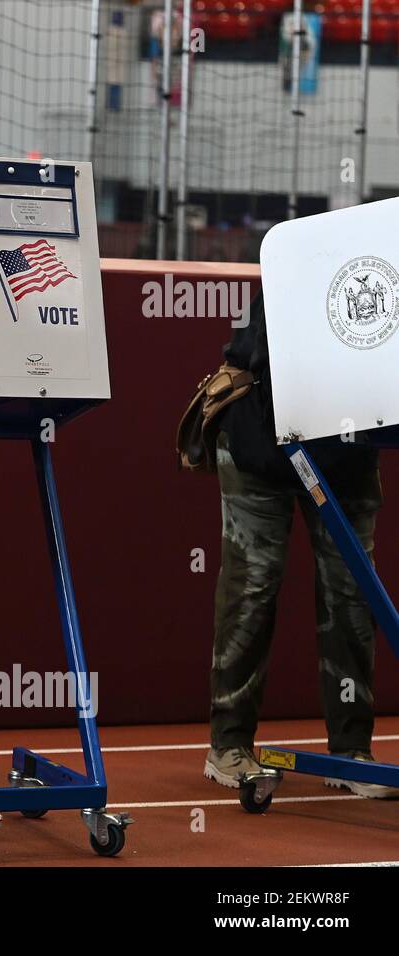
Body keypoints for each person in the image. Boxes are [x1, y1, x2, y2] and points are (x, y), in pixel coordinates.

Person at [205, 292, 397, 798]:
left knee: (353, 595)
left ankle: (352, 751)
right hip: (259, 437)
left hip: (348, 447)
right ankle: (228, 745)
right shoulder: (303, 262)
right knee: (251, 590)